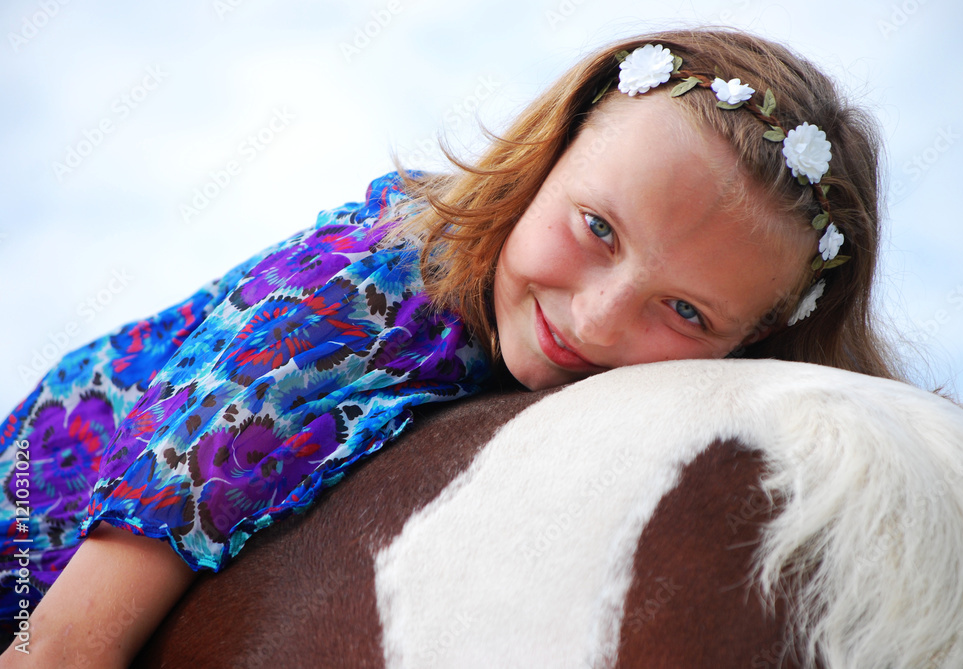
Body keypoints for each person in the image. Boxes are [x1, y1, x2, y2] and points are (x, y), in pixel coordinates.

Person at [0, 27, 899, 666]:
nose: (592, 321)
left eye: (687, 313)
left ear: (753, 344)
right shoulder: (348, 300)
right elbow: (65, 645)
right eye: (596, 227)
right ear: (545, 157)